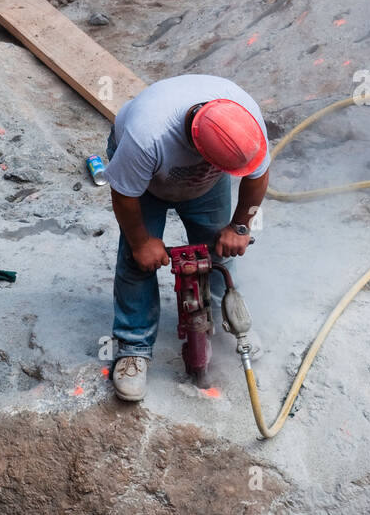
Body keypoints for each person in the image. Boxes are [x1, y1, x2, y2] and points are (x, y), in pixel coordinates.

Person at [103, 74, 270, 401]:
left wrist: (239, 226)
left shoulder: (245, 122)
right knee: (137, 264)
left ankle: (230, 322)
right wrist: (141, 243)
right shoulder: (146, 136)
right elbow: (123, 195)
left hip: (205, 185)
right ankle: (133, 346)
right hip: (145, 185)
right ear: (195, 145)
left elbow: (258, 175)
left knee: (220, 253)